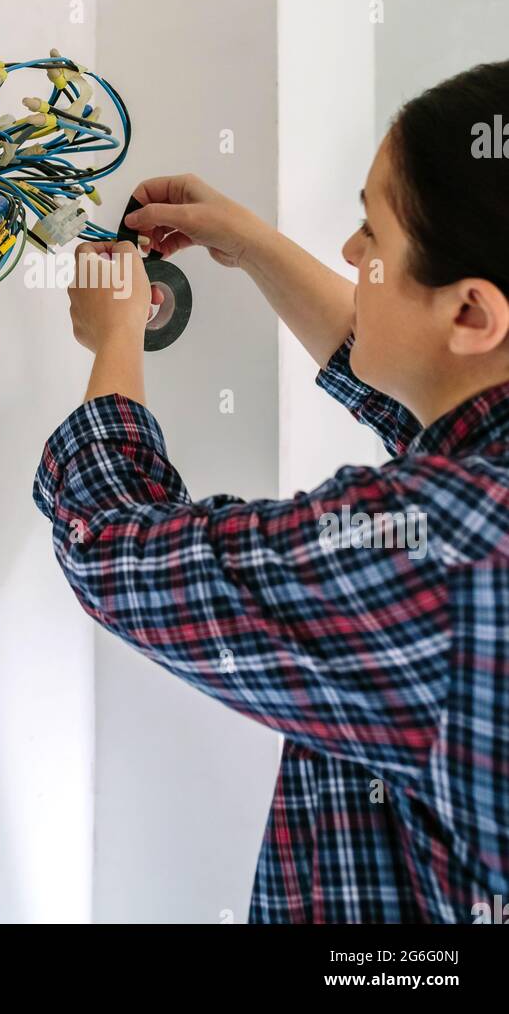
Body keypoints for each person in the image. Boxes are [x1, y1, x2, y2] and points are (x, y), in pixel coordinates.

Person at [32, 60, 509, 924]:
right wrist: (246, 242)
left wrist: (113, 340)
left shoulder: (443, 553)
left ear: (470, 313)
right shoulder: (482, 476)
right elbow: (420, 391)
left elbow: (110, 547)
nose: (349, 252)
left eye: (373, 233)